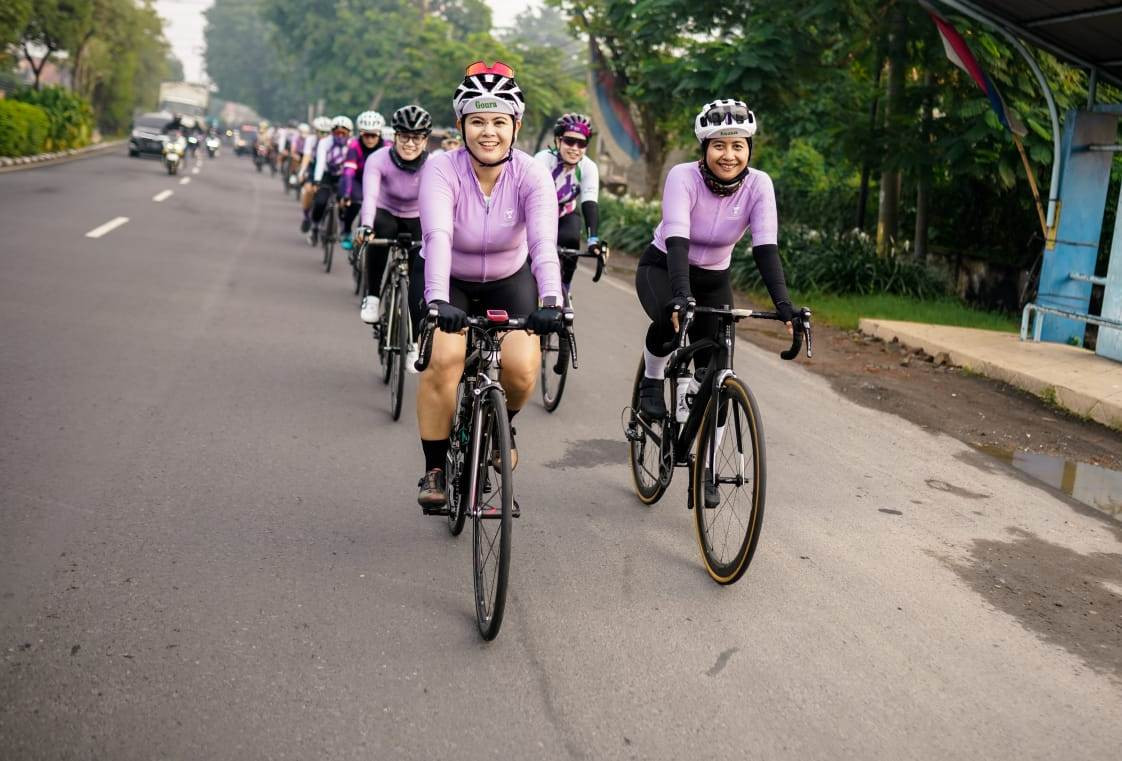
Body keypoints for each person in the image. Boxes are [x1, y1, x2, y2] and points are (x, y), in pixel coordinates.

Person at [414, 61, 565, 509]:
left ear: (515, 126)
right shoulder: (442, 169)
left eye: (500, 121)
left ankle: (502, 428)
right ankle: (435, 468)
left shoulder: (531, 174)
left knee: (521, 369)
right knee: (446, 359)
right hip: (448, 281)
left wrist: (553, 300)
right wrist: (438, 299)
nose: (488, 132)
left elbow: (542, 241)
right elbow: (437, 236)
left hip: (508, 279)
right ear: (461, 125)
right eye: (477, 121)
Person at [634, 98, 794, 421]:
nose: (729, 155)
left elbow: (765, 249)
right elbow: (677, 239)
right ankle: (651, 381)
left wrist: (784, 305)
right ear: (705, 148)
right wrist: (680, 295)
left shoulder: (759, 185)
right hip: (664, 266)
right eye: (719, 145)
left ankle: (695, 427)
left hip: (713, 280)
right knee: (670, 323)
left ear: (749, 149)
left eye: (738, 145)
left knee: (713, 370)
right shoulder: (683, 177)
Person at [354, 105, 432, 354]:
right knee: (380, 229)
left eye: (417, 137)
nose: (410, 143)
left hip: (416, 216)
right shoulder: (378, 159)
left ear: (425, 140)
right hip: (384, 211)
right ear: (394, 136)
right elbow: (370, 196)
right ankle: (374, 296)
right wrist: (366, 226)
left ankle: (414, 344)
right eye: (404, 136)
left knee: (420, 271)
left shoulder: (434, 164)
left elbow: (441, 203)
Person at [339, 111, 386, 252]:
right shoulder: (354, 146)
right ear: (360, 134)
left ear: (380, 134)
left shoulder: (387, 146)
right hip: (358, 180)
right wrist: (346, 194)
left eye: (373, 135)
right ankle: (346, 231)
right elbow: (348, 172)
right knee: (355, 202)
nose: (370, 139)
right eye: (366, 135)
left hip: (379, 182)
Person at [310, 115, 353, 242]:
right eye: (337, 132)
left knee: (344, 202)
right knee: (320, 202)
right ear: (332, 132)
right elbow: (320, 162)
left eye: (343, 133)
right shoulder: (325, 142)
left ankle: (341, 226)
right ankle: (315, 226)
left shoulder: (351, 144)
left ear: (349, 133)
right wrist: (317, 180)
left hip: (343, 175)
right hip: (326, 175)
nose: (340, 136)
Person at [300, 116, 332, 236]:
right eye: (321, 132)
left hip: (326, 169)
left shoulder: (330, 142)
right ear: (316, 131)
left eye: (327, 132)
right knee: (308, 190)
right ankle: (306, 215)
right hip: (313, 166)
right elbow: (307, 156)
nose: (323, 135)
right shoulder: (311, 140)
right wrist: (302, 171)